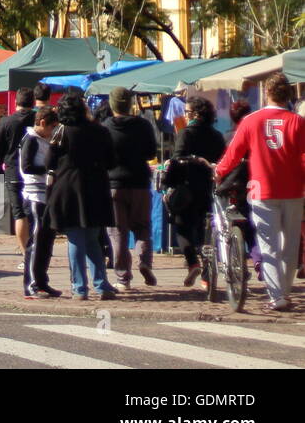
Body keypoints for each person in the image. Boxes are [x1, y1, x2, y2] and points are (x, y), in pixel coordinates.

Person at [215, 73, 305, 312]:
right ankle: (284, 291)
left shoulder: (252, 120)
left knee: (269, 245)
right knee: (290, 244)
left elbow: (234, 154)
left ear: (267, 93)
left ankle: (277, 296)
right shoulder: (298, 122)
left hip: (262, 189)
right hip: (294, 189)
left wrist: (220, 172)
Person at [46, 92, 118, 300]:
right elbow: (111, 162)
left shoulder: (61, 132)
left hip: (69, 188)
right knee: (93, 238)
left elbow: (49, 162)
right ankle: (101, 284)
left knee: (75, 239)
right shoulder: (100, 131)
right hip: (96, 187)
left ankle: (79, 287)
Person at [166, 96, 226, 287]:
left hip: (187, 187)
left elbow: (177, 159)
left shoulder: (186, 133)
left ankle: (193, 263)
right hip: (209, 188)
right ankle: (207, 277)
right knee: (205, 233)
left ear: (195, 114)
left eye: (187, 112)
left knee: (182, 227)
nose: (185, 115)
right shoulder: (217, 135)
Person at [103, 87, 158, 289]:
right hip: (140, 182)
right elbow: (151, 151)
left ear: (112, 104)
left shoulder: (105, 127)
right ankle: (144, 262)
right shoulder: (143, 125)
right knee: (142, 227)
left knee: (118, 232)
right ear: (130, 104)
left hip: (113, 184)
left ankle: (123, 278)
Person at [19, 106, 62, 298]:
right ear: (42, 123)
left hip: (49, 194)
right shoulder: (31, 140)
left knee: (47, 241)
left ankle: (42, 281)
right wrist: (49, 169)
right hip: (35, 196)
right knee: (36, 241)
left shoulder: (47, 140)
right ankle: (31, 283)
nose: (53, 130)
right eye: (52, 126)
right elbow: (26, 166)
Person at [0, 87, 37, 269]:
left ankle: (26, 254)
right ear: (32, 102)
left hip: (13, 172)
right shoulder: (37, 120)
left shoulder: (6, 122)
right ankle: (36, 251)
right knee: (34, 214)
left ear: (16, 102)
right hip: (35, 172)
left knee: (19, 214)